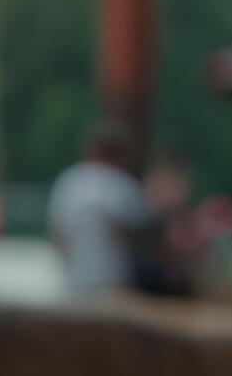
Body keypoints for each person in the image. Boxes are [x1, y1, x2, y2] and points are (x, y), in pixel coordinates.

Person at [47, 124, 155, 298]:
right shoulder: (123, 185)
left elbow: (58, 237)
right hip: (115, 283)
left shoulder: (67, 182)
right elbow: (140, 240)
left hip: (74, 283)